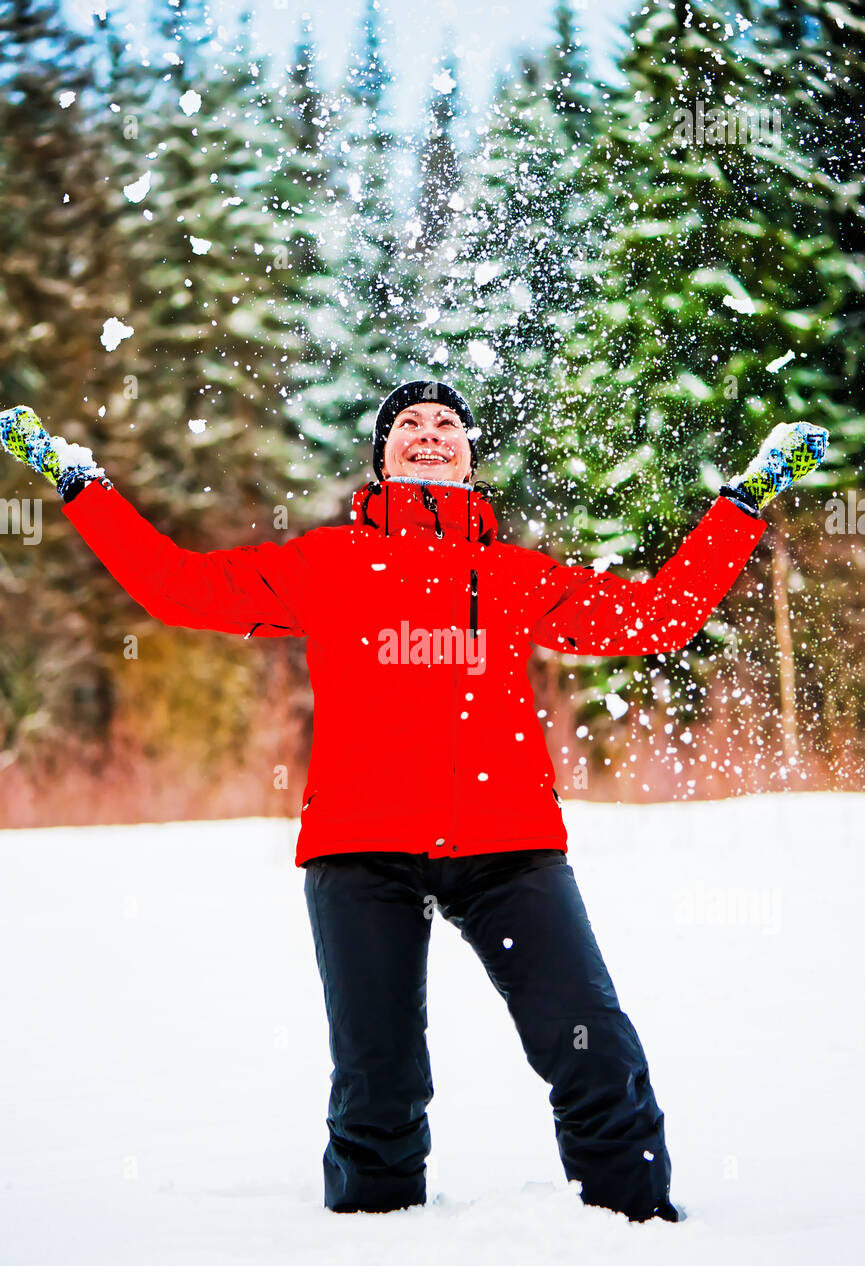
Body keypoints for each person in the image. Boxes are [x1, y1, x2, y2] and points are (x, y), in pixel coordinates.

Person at [0, 388, 827, 1222]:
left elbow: (658, 617)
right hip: (359, 848)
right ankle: (370, 1251)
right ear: (381, 457)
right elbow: (174, 587)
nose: (427, 437)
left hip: (507, 844)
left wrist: (744, 499)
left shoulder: (510, 575)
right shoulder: (324, 564)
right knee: (378, 1082)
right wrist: (80, 483)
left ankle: (637, 1235)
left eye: (446, 428)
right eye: (407, 427)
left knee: (592, 1051)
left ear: (469, 457)